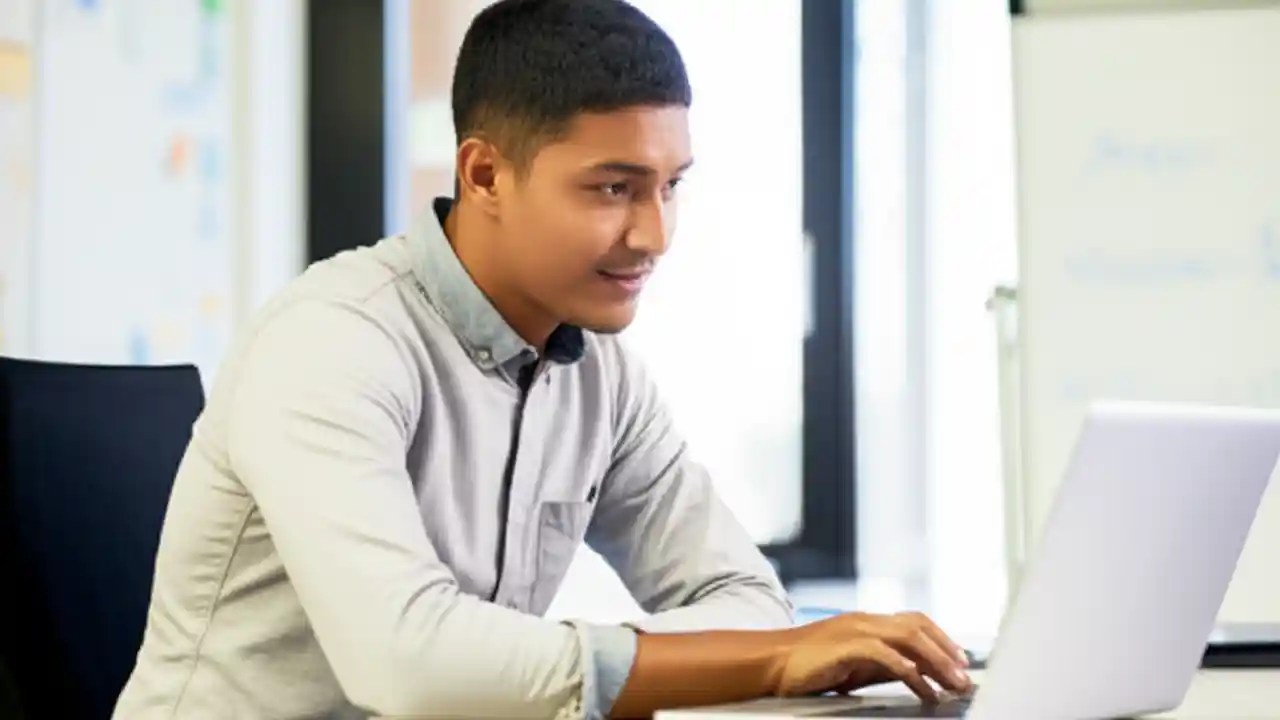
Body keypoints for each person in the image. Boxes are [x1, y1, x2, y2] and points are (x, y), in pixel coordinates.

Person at [114, 1, 972, 718]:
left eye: (671, 185)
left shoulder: (598, 372)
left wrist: (774, 650)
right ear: (485, 175)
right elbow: (409, 665)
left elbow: (745, 603)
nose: (655, 234)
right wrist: (771, 659)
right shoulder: (333, 343)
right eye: (613, 188)